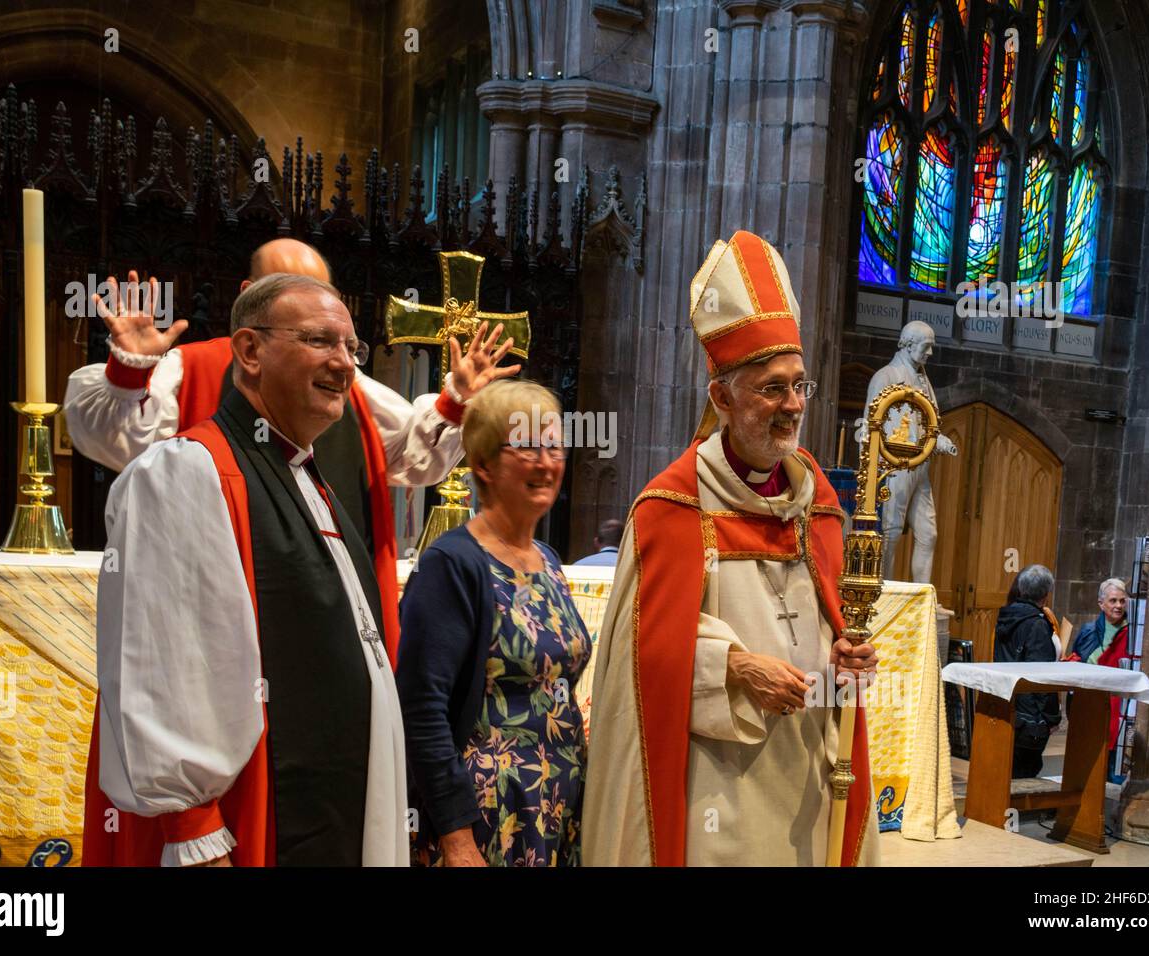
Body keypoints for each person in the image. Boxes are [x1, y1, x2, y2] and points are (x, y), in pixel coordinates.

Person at [63, 238, 520, 662]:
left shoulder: (350, 385)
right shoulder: (196, 369)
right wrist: (129, 371)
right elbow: (114, 440)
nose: (313, 308)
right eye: (288, 289)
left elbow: (411, 455)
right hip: (222, 622)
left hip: (332, 620)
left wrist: (455, 399)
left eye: (320, 292)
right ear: (249, 297)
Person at [82, 273, 408, 866]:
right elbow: (164, 661)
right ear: (251, 350)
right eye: (320, 341)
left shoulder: (309, 481)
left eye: (351, 348)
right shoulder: (186, 473)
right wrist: (194, 830)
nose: (344, 365)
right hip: (240, 823)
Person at [583, 230, 879, 867]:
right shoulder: (670, 508)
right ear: (721, 398)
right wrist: (735, 667)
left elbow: (834, 642)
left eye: (800, 386)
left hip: (808, 781)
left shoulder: (821, 506)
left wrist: (847, 661)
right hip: (717, 784)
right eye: (772, 388)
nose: (793, 406)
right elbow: (641, 666)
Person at [397, 380, 592, 867]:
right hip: (486, 817)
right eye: (527, 447)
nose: (547, 463)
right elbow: (422, 711)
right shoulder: (452, 563)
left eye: (554, 446)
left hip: (556, 807)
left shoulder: (546, 560)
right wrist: (456, 838)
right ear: (483, 463)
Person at [858, 321, 959, 584]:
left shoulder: (923, 379)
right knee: (891, 531)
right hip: (895, 465)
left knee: (929, 533)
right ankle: (883, 592)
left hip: (920, 465)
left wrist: (941, 441)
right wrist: (871, 468)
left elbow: (928, 423)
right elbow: (870, 426)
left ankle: (922, 597)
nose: (930, 354)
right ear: (909, 344)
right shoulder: (887, 376)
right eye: (927, 347)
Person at [994, 564, 1062, 778]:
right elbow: (1041, 677)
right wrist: (1052, 718)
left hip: (1006, 705)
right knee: (1024, 774)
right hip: (1030, 717)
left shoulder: (1006, 616)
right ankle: (1021, 811)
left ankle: (1005, 810)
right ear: (1046, 594)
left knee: (1007, 770)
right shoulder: (1036, 625)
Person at [1065, 577, 1131, 756]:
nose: (1118, 605)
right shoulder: (1088, 631)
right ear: (1101, 604)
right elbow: (1078, 662)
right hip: (1092, 702)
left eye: (1122, 601)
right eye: (1113, 601)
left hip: (1119, 703)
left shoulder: (1133, 634)